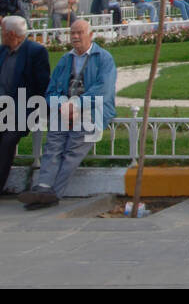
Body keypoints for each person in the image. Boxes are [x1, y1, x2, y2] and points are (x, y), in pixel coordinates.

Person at [19, 19, 116, 209]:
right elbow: (51, 89)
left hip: (91, 112)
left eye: (80, 33)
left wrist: (76, 105)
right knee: (53, 144)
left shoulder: (103, 58)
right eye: (72, 33)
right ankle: (43, 187)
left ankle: (53, 194)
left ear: (90, 35)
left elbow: (103, 90)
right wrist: (62, 104)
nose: (75, 36)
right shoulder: (65, 60)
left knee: (72, 149)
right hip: (64, 111)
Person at [0, 16, 50, 195]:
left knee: (7, 141)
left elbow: (42, 86)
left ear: (12, 34)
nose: (1, 34)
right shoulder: (3, 51)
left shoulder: (35, 52)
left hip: (24, 108)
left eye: (3, 31)